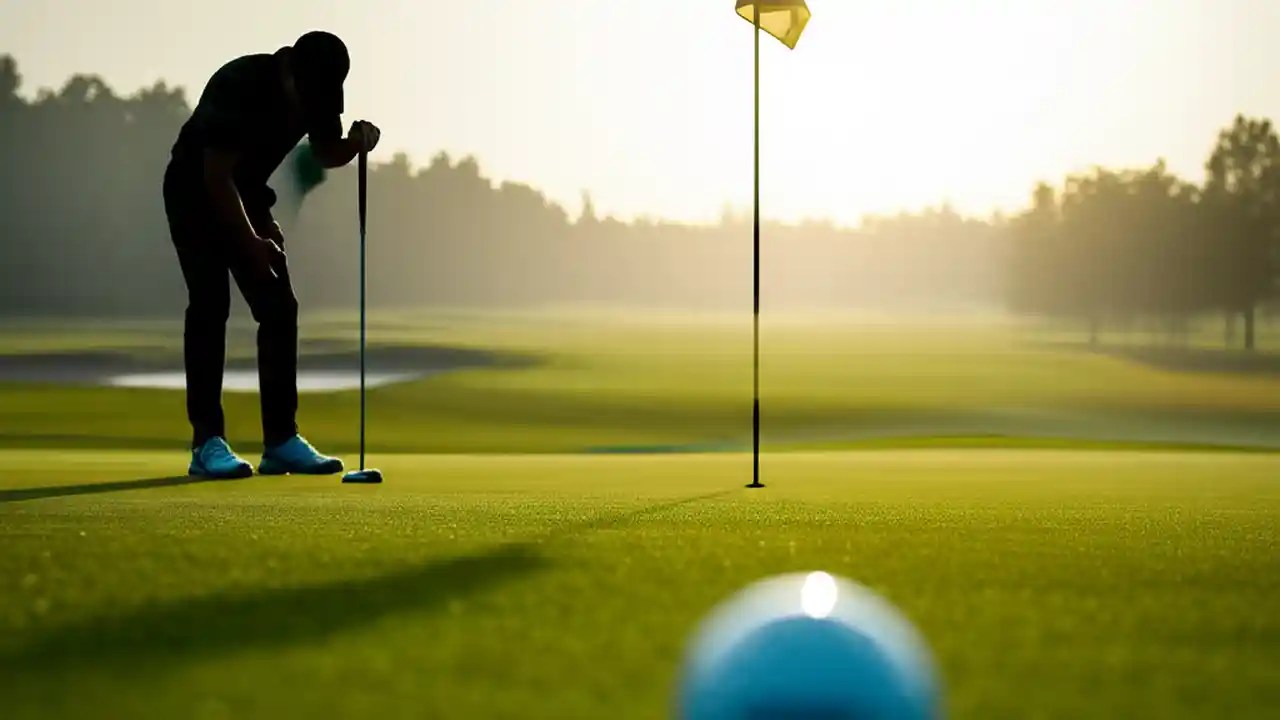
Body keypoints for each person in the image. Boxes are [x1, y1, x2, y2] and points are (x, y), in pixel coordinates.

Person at [163, 31, 381, 479]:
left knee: (280, 308)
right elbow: (216, 177)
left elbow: (325, 152)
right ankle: (206, 444)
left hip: (245, 192)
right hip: (193, 191)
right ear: (290, 73)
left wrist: (356, 143)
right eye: (311, 95)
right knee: (210, 304)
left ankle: (280, 441)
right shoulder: (240, 82)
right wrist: (252, 240)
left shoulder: (317, 90)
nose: (315, 107)